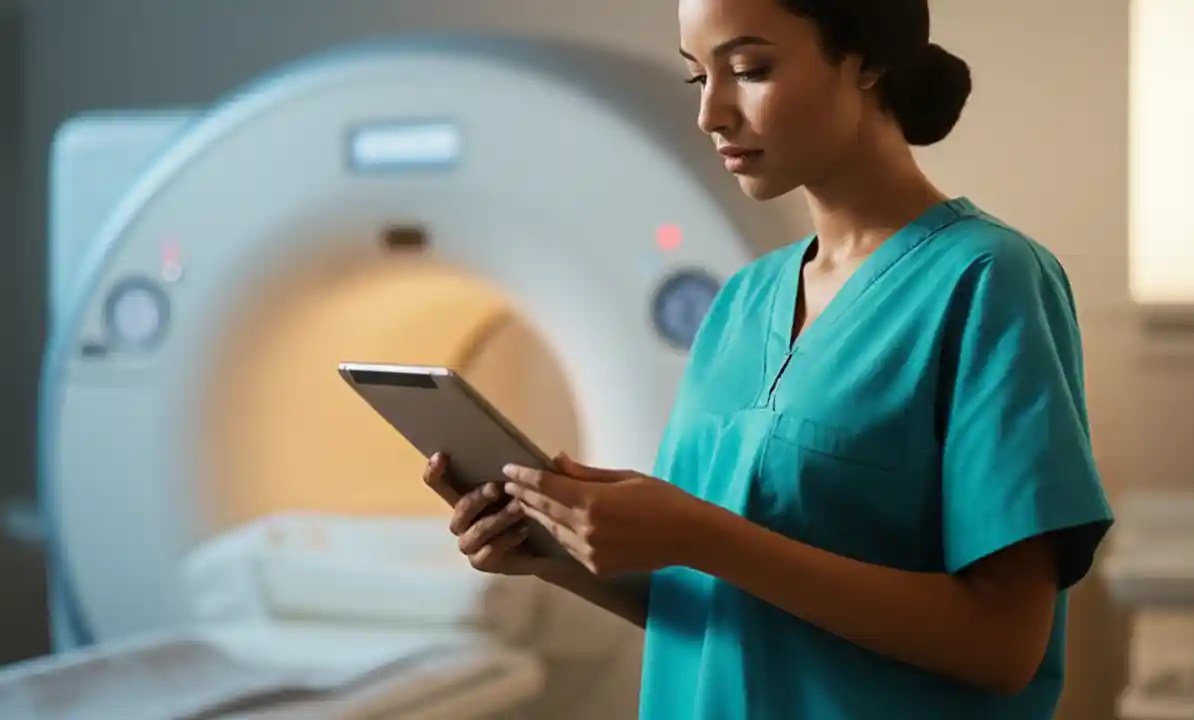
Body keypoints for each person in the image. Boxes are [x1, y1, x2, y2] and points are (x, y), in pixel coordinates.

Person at [423, 0, 1115, 716]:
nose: (711, 114)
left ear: (867, 61)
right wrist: (556, 553)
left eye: (749, 70)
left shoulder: (986, 280)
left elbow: (1001, 646)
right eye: (699, 79)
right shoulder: (741, 302)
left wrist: (700, 533)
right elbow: (728, 611)